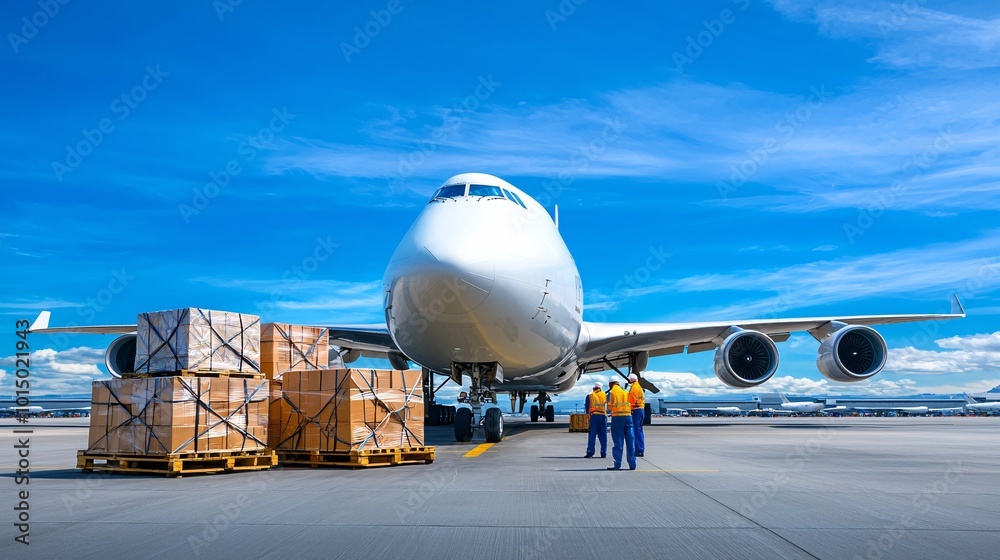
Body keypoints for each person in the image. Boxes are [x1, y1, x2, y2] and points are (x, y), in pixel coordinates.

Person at [606, 378, 636, 470]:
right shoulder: (625, 391)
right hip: (628, 417)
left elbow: (609, 406)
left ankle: (617, 464)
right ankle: (632, 465)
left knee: (618, 442)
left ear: (610, 384)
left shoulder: (611, 392)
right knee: (630, 442)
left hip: (618, 418)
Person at [584, 382, 607, 458]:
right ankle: (603, 452)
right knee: (603, 435)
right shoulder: (605, 395)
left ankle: (590, 452)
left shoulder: (590, 396)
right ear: (600, 388)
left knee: (592, 435)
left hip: (594, 416)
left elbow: (587, 409)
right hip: (603, 416)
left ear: (594, 388)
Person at [628, 373, 646, 457]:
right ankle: (641, 448)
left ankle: (638, 450)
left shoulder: (633, 388)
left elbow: (630, 400)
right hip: (641, 409)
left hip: (636, 410)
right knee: (640, 430)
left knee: (636, 431)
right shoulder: (640, 388)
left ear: (631, 380)